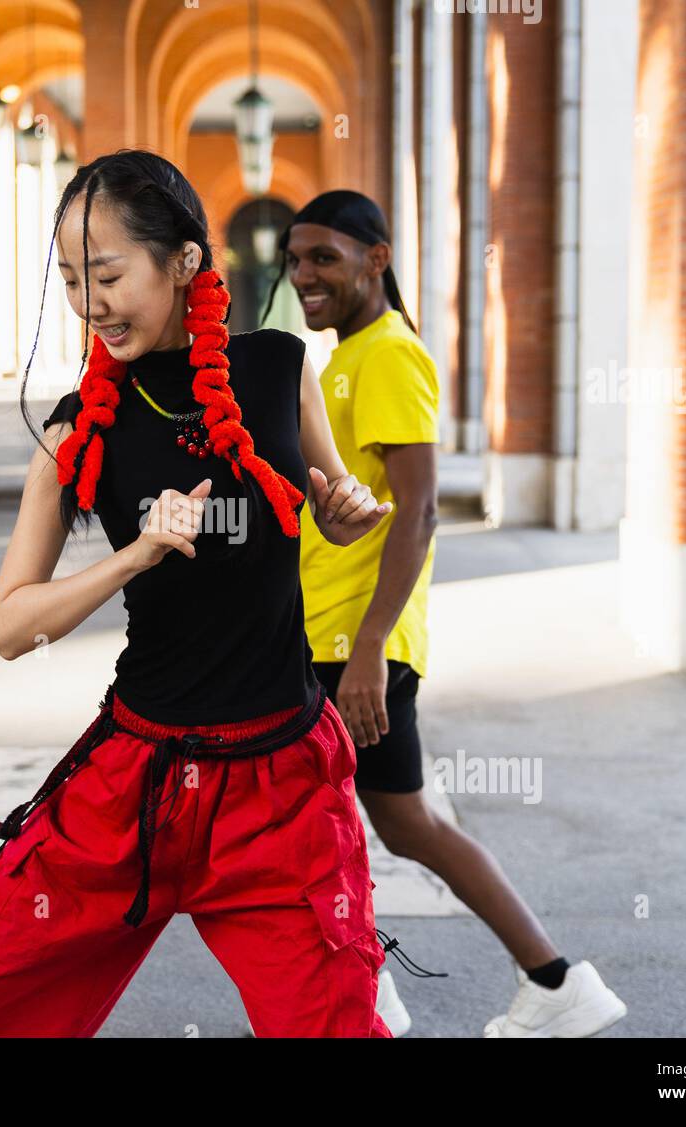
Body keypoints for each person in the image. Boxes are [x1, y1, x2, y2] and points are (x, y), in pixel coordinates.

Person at [0, 151, 434, 1038]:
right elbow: (11, 625)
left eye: (110, 274)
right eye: (72, 279)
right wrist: (134, 555)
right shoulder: (76, 429)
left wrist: (346, 510)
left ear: (185, 263)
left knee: (330, 1029)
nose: (91, 302)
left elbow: (329, 508)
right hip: (134, 786)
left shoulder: (280, 369)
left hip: (280, 793)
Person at [261, 189, 627, 1038]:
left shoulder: (387, 354)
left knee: (303, 821)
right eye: (295, 257)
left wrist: (371, 650)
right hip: (331, 632)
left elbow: (420, 510)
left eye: (324, 256)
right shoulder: (350, 354)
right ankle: (554, 982)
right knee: (398, 821)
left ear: (375, 260)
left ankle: (365, 996)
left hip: (353, 640)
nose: (305, 273)